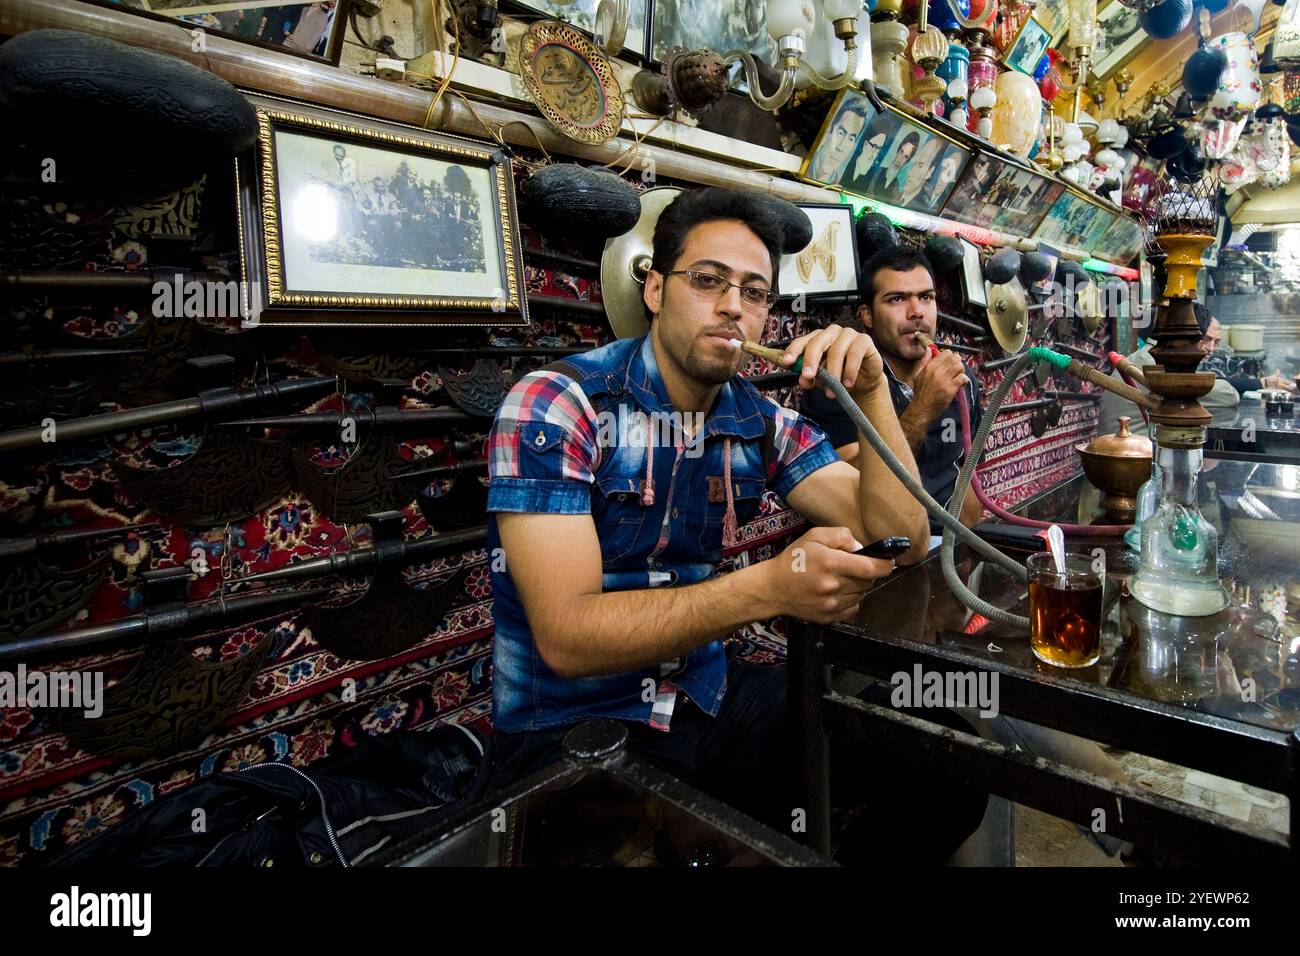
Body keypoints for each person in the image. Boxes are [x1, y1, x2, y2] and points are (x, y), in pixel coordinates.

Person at [487, 188, 985, 862]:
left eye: (754, 293)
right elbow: (567, 639)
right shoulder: (558, 403)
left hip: (707, 694)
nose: (732, 306)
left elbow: (904, 535)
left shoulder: (755, 416)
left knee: (948, 757)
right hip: (573, 727)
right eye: (708, 281)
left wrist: (871, 389)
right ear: (657, 290)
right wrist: (771, 590)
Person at [800, 247, 986, 534]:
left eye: (926, 297)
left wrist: (969, 545)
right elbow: (850, 482)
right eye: (897, 299)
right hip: (886, 551)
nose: (916, 313)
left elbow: (966, 469)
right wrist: (922, 409)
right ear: (868, 315)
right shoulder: (843, 379)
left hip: (952, 544)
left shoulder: (961, 379)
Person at [1098, 303, 1293, 435]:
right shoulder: (1158, 362)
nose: (1210, 348)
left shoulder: (1148, 355)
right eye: (1205, 339)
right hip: (1133, 458)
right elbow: (1229, 395)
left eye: (1216, 341)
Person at [808, 98, 869, 184]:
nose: (841, 147)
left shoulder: (839, 187)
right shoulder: (801, 160)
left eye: (851, 139)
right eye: (841, 133)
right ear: (827, 132)